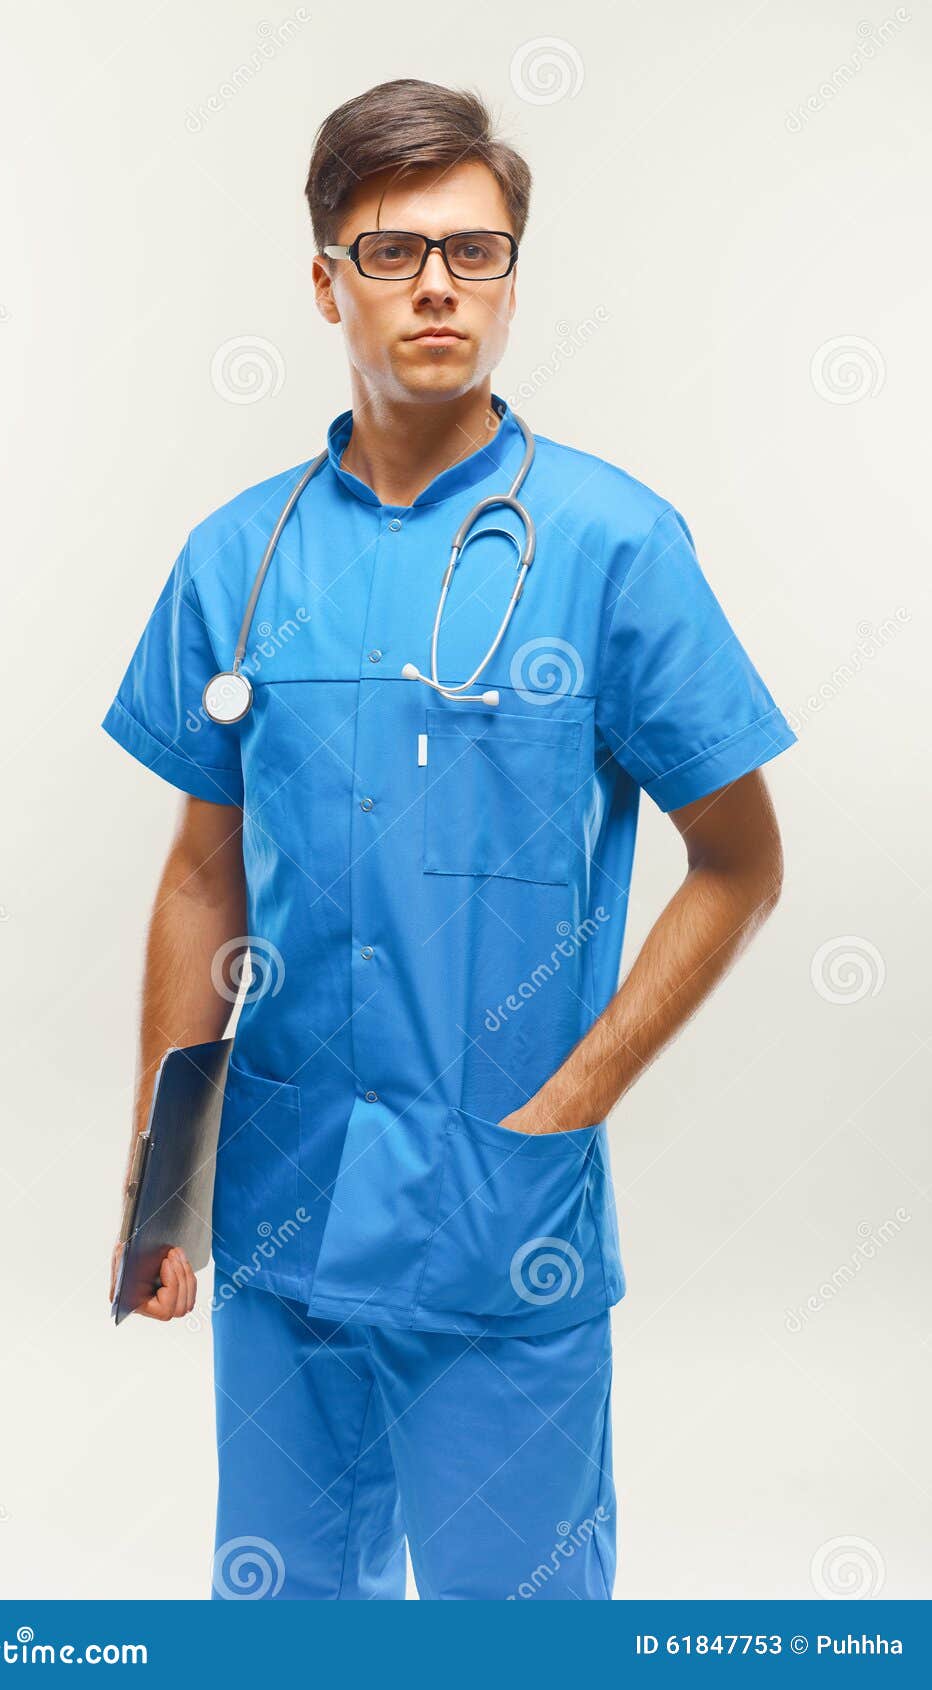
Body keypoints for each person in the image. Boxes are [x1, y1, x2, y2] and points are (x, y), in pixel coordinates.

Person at [102, 78, 796, 1601]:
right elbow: (203, 877)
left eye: (475, 251)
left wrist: (565, 1110)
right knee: (283, 1627)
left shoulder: (614, 545)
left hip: (500, 1227)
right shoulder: (238, 555)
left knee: (519, 1634)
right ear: (325, 282)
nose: (437, 285)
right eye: (393, 250)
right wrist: (164, 1189)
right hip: (282, 1222)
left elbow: (742, 862)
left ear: (510, 277)